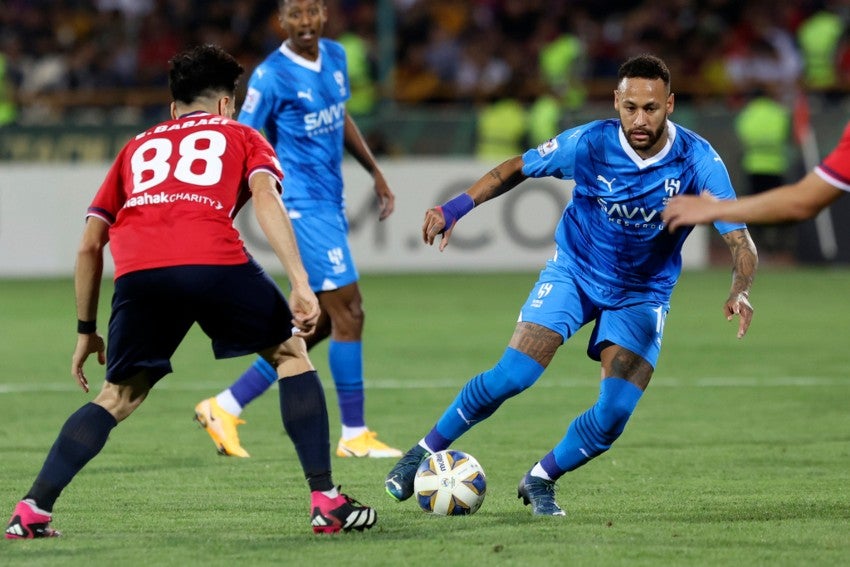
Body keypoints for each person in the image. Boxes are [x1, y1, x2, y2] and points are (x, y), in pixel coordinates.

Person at [4, 44, 376, 539]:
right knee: (291, 354)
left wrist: (85, 330)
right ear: (226, 104)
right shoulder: (243, 135)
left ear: (174, 106)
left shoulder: (136, 147)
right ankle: (327, 503)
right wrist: (301, 283)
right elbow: (266, 198)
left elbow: (91, 245)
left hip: (139, 272)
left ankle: (31, 512)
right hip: (212, 258)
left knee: (117, 395)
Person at [385, 54, 758, 516]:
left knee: (613, 416)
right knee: (512, 376)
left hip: (642, 293)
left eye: (652, 108)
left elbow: (741, 241)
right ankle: (419, 453)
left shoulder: (698, 159)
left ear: (671, 105)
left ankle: (540, 479)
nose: (640, 119)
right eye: (631, 107)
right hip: (576, 273)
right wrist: (455, 208)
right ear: (616, 101)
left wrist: (739, 287)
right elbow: (516, 168)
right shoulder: (589, 143)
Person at [194, 0, 400, 460]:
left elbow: (340, 115)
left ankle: (223, 405)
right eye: (295, 14)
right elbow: (242, 140)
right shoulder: (270, 77)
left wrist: (373, 170)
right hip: (301, 207)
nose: (305, 22)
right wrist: (225, 209)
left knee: (322, 322)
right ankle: (355, 435)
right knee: (351, 312)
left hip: (329, 200)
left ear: (323, 14)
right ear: (281, 21)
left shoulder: (339, 56)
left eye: (312, 11)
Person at [661, 120, 850, 229]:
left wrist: (715, 209)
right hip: (776, 164)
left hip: (754, 164)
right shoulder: (778, 112)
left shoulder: (748, 115)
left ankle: (770, 250)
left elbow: (803, 202)